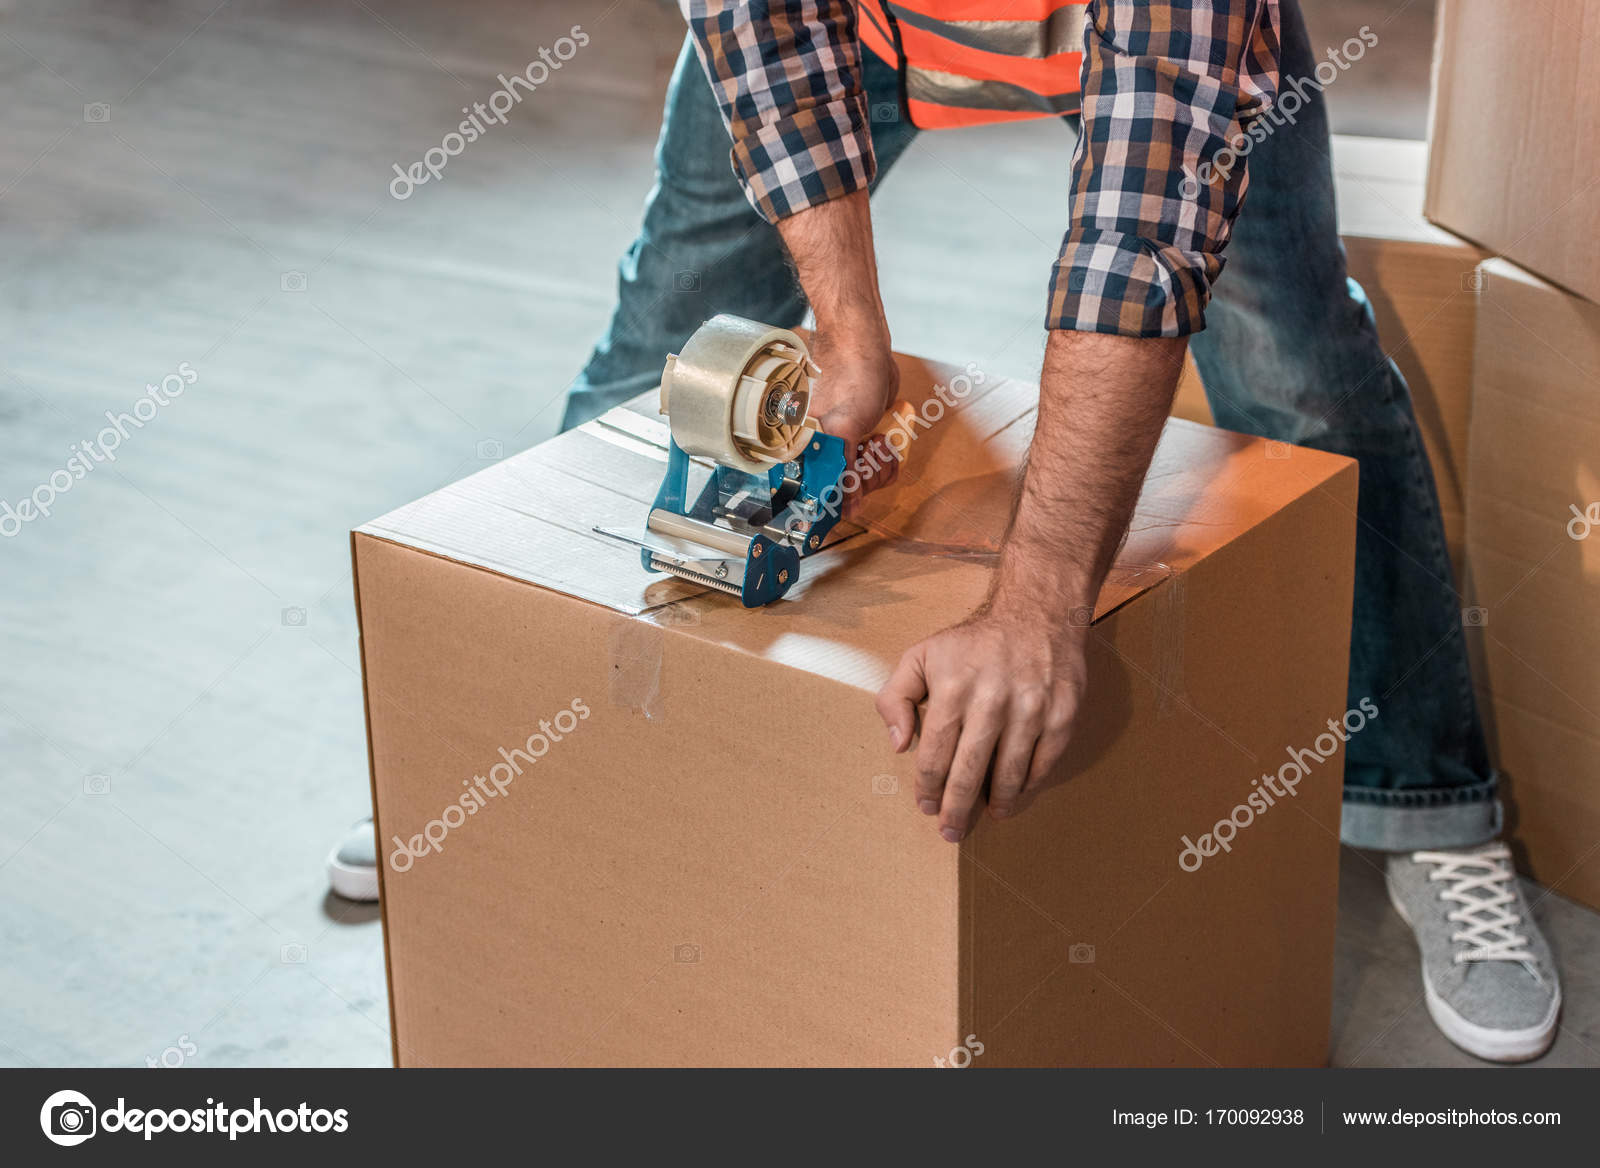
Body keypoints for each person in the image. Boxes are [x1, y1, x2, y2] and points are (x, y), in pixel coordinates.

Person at [330, 0, 1560, 1063]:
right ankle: (498, 760)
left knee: (1301, 374)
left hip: (1150, 47)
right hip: (845, 25)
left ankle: (1427, 800)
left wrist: (1037, 605)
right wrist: (847, 336)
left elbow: (1139, 234)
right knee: (671, 329)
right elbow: (761, 32)